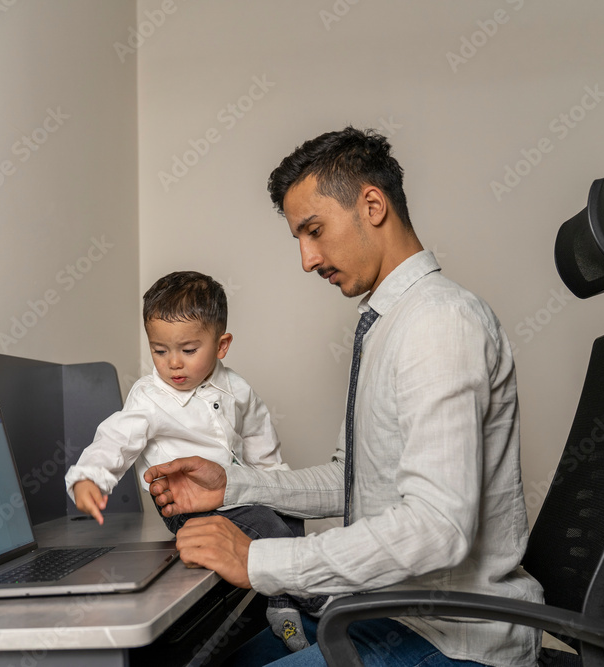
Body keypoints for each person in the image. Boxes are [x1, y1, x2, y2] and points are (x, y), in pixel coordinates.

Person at [143, 128, 544, 666]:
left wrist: (260, 558)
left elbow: (438, 528)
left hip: (451, 640)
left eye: (314, 231)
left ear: (372, 205)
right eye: (299, 239)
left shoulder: (438, 323)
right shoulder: (390, 323)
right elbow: (352, 478)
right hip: (391, 614)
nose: (308, 260)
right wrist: (231, 486)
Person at [64, 270, 326, 652]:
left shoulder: (236, 387)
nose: (173, 364)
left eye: (188, 351)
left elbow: (258, 435)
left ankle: (281, 605)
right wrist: (90, 477)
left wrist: (275, 484)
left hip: (238, 489)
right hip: (187, 505)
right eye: (159, 350)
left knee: (287, 516)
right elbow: (116, 439)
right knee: (265, 524)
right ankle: (321, 600)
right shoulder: (149, 397)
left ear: (221, 345)